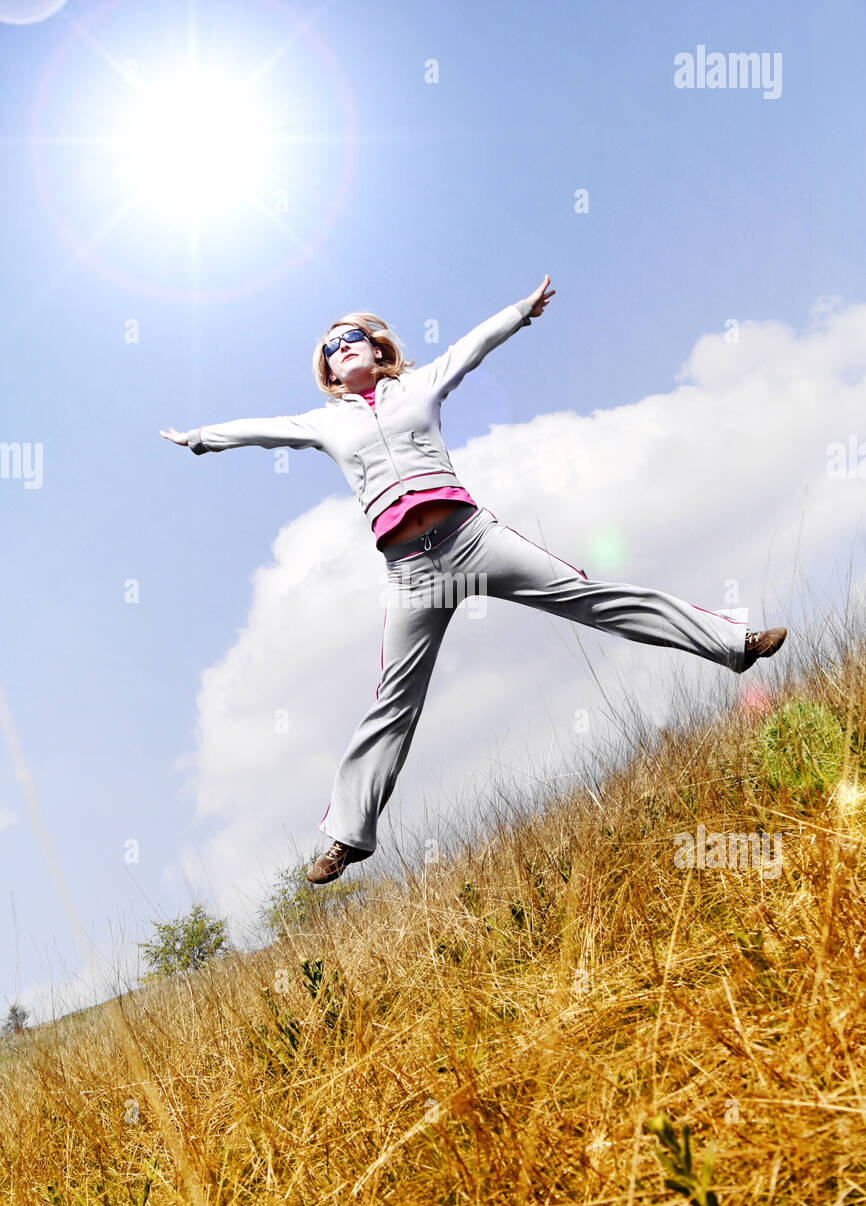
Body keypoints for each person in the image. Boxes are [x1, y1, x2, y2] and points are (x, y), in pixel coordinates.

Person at [161, 276, 786, 885]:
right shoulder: (324, 423)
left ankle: (734, 643)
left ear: (378, 348)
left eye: (352, 336)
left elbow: (470, 346)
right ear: (327, 369)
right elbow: (258, 429)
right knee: (393, 699)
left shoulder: (420, 383)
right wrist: (197, 440)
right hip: (410, 572)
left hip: (472, 538)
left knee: (586, 594)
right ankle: (346, 838)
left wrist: (522, 311)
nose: (342, 346)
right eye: (331, 346)